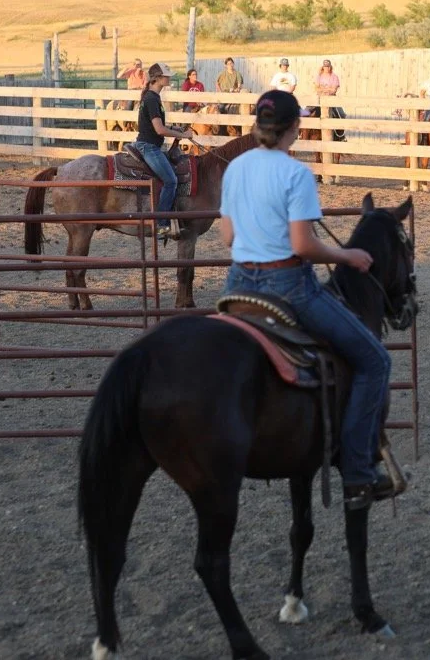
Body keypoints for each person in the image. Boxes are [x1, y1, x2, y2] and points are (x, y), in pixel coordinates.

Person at [218, 90, 394, 508]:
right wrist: (347, 255)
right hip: (288, 287)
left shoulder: (235, 168)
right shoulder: (295, 174)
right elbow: (303, 245)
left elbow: (227, 236)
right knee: (375, 361)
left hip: (238, 286)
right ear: (295, 128)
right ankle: (358, 473)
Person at [134, 63, 194, 236]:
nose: (169, 78)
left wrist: (175, 129)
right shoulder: (152, 99)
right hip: (149, 147)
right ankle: (161, 223)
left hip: (149, 144)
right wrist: (183, 135)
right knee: (171, 181)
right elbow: (159, 130)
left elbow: (157, 126)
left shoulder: (152, 97)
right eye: (166, 75)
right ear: (158, 78)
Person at [316, 59, 347, 141]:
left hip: (332, 98)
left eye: (328, 66)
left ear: (330, 67)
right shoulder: (319, 76)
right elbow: (317, 89)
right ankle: (302, 135)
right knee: (307, 112)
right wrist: (328, 89)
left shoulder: (334, 76)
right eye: (325, 66)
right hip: (320, 98)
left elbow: (334, 90)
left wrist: (324, 89)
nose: (327, 68)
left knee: (342, 114)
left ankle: (341, 136)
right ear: (323, 67)